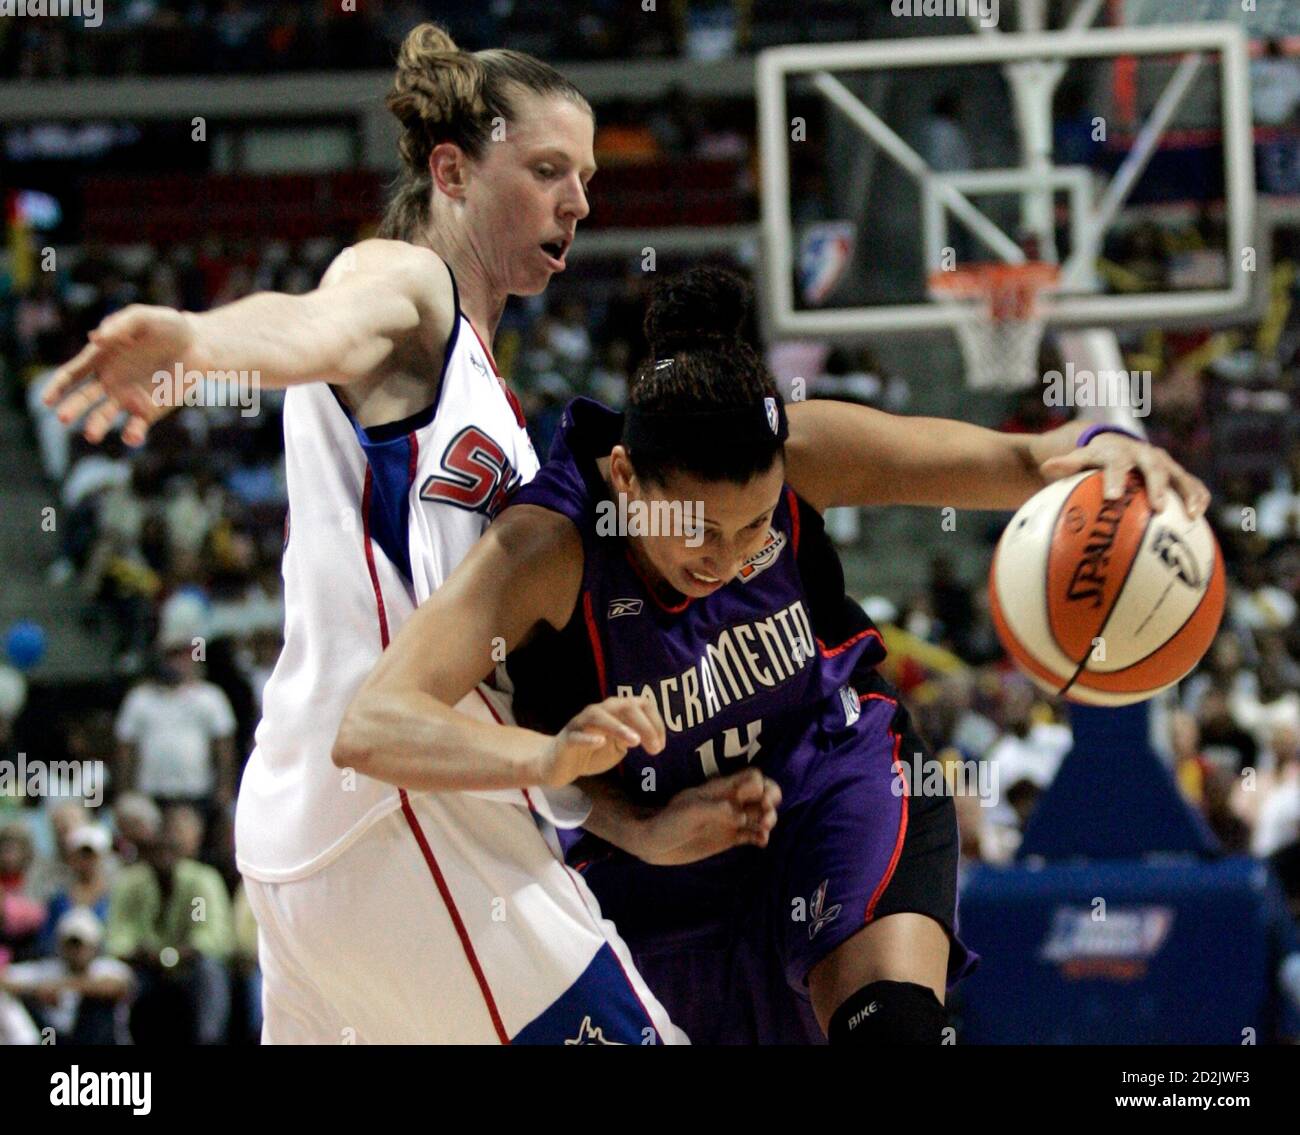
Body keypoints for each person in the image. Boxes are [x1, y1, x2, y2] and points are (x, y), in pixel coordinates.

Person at [45, 22, 714, 1045]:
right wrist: (198, 339)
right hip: (403, 808)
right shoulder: (412, 287)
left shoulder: (486, 379)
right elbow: (319, 324)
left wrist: (616, 815)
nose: (579, 200)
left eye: (582, 175)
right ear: (451, 169)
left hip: (323, 824)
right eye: (546, 169)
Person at [335, 266, 1211, 1043]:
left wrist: (1111, 448)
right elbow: (376, 722)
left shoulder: (804, 452)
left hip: (833, 771)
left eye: (756, 526)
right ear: (626, 478)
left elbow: (1018, 459)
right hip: (658, 869)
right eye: (700, 532)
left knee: (893, 1024)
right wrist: (602, 799)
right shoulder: (545, 550)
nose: (726, 556)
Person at [1, 908, 133, 1045]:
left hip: (96, 1039)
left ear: (93, 945)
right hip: (55, 1038)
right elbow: (5, 979)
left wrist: (61, 987)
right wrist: (36, 992)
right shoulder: (49, 969)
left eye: (80, 945)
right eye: (71, 944)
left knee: (96, 1006)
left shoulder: (107, 967)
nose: (76, 951)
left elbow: (116, 986)